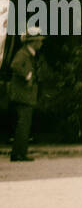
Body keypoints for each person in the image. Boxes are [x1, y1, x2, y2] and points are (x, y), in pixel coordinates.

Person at [7, 30, 45, 162]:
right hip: (23, 96)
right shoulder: (23, 54)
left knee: (24, 124)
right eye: (39, 40)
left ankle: (20, 153)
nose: (41, 43)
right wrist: (27, 74)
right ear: (32, 42)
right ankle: (18, 154)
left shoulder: (29, 54)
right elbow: (15, 65)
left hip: (26, 95)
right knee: (23, 125)